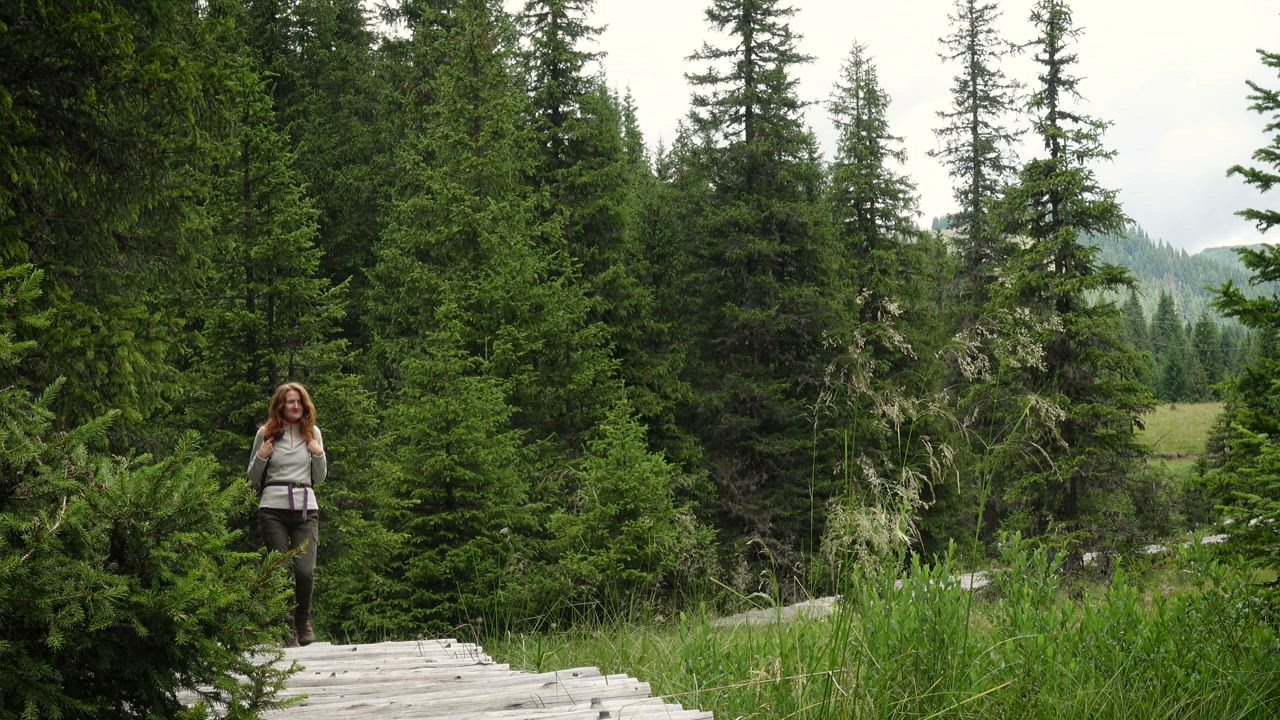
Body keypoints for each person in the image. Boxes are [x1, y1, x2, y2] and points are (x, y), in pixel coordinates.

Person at [247, 382, 327, 647]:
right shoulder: (265, 433)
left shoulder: (312, 433)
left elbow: (320, 478)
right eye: (290, 402)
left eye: (299, 402)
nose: (295, 406)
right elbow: (252, 477)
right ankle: (285, 626)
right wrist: (262, 456)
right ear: (280, 405)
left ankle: (302, 621)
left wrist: (318, 454)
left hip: (305, 507)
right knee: (280, 570)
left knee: (305, 570)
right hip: (273, 508)